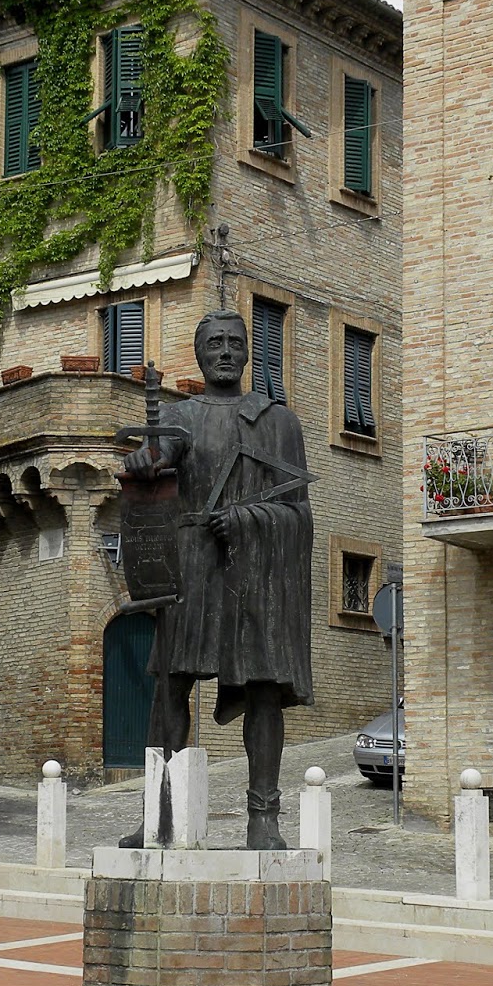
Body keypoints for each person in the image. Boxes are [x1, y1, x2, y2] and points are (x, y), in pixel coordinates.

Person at [119, 310, 313, 849]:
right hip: (191, 567)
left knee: (264, 689)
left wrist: (251, 518)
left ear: (249, 352)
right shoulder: (180, 417)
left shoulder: (278, 421)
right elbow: (161, 455)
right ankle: (158, 813)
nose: (224, 351)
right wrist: (144, 460)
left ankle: (264, 821)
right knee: (169, 686)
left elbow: (300, 513)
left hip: (253, 571)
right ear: (199, 353)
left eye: (234, 342)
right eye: (214, 343)